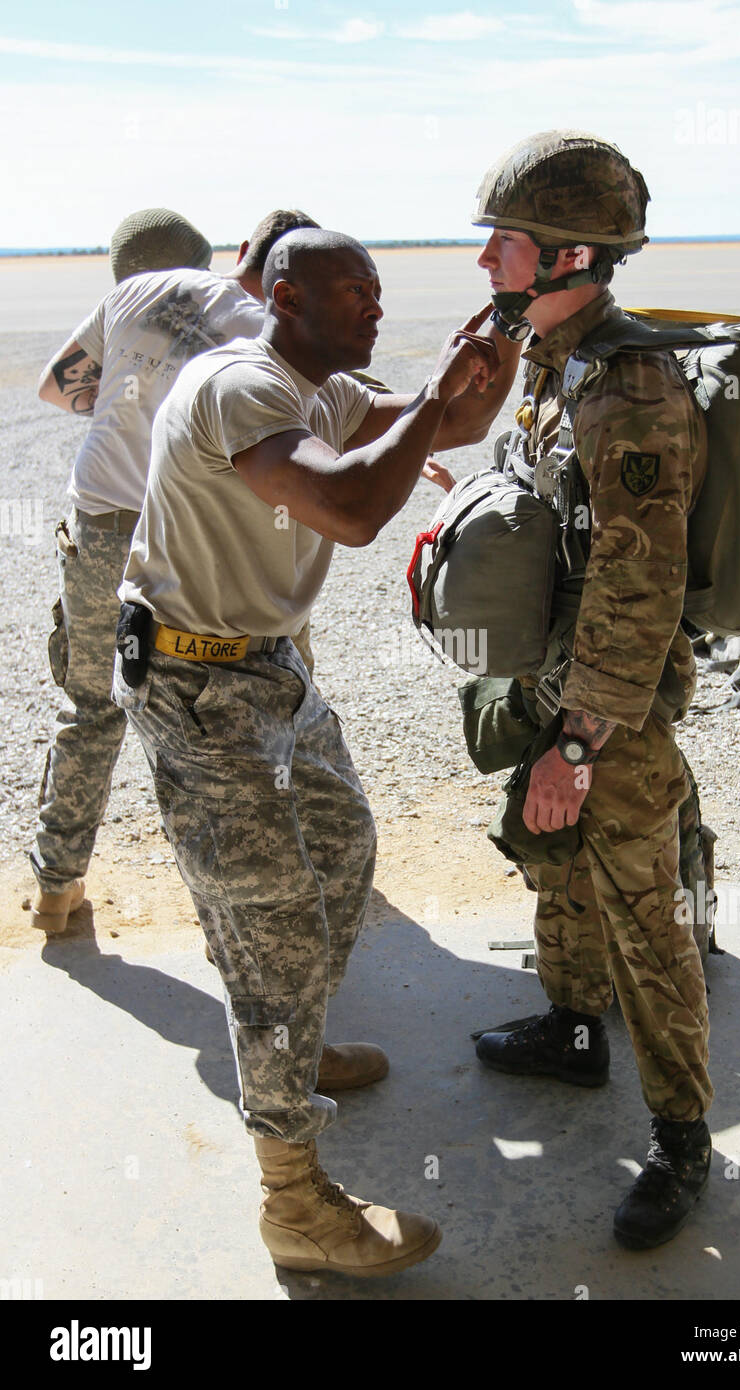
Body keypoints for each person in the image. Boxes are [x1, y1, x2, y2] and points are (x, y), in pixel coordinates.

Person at [113, 226, 521, 1276]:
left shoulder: (321, 387)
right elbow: (345, 506)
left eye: (380, 291)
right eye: (354, 292)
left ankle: (290, 1025)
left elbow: (453, 418)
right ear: (285, 296)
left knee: (342, 848)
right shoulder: (240, 384)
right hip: (194, 682)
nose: (375, 309)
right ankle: (292, 1201)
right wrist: (430, 400)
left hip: (263, 667)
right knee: (275, 923)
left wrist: (497, 352)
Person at [469, 131, 713, 1250]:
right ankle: (573, 1028)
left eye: (503, 246)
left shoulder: (631, 387)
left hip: (611, 705)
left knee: (643, 913)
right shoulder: (551, 361)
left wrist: (580, 740)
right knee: (552, 861)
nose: (485, 264)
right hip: (556, 683)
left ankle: (681, 1137)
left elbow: (639, 578)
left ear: (570, 257)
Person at [31, 209, 321, 934]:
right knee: (227, 700)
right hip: (188, 532)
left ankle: (55, 889)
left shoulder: (126, 298)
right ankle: (270, 886)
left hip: (101, 525)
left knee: (91, 703)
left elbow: (54, 390)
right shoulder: (261, 324)